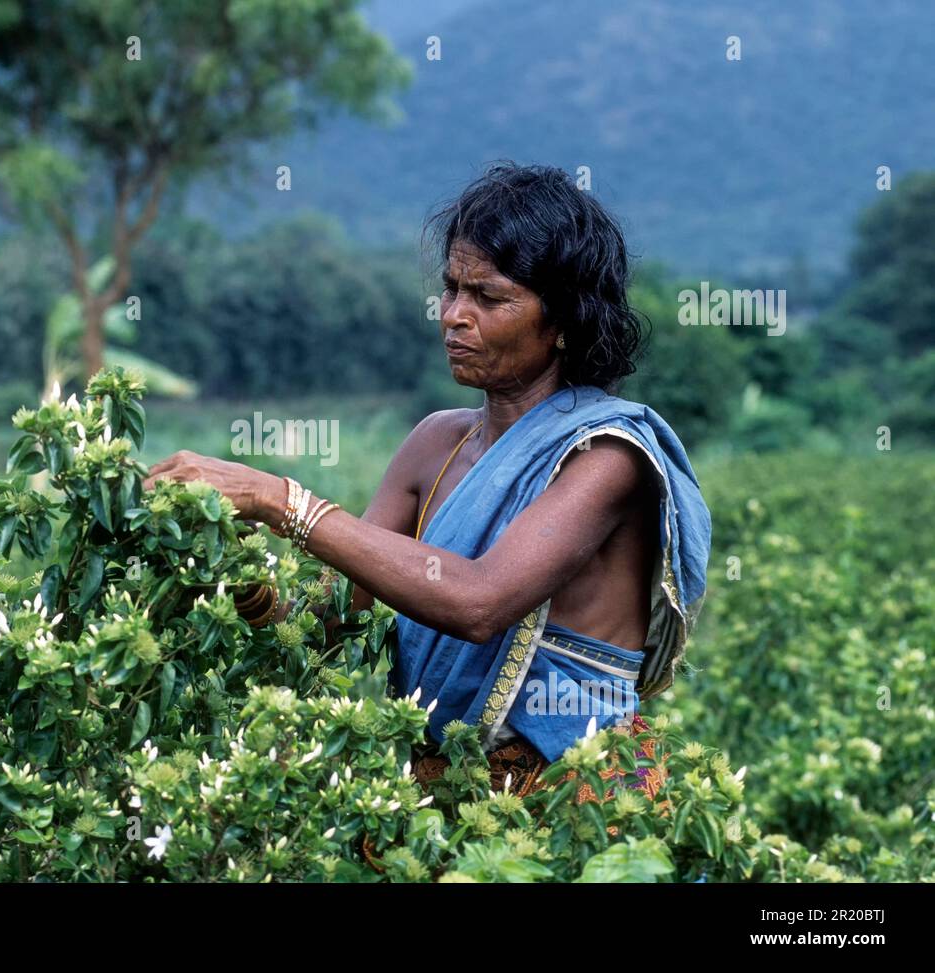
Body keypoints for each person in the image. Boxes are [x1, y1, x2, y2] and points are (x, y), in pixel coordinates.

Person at [142, 162, 710, 796]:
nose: (453, 316)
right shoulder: (436, 442)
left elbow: (478, 602)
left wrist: (279, 499)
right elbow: (330, 619)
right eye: (451, 290)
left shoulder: (607, 457)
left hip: (573, 795)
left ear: (564, 323)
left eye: (488, 298)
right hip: (437, 792)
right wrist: (221, 556)